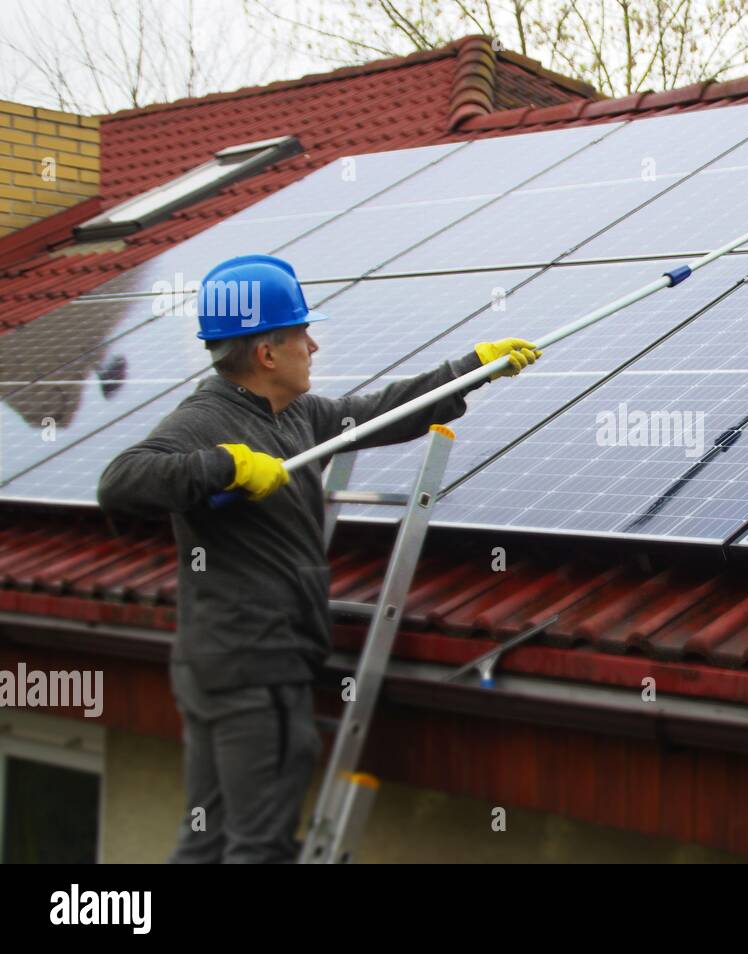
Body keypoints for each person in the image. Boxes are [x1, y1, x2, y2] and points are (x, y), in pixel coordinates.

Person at [97, 254, 540, 863]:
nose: (315, 344)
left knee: (208, 842)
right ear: (267, 354)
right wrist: (224, 465)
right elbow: (120, 482)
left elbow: (385, 412)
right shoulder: (206, 420)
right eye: (302, 333)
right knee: (260, 847)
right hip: (254, 664)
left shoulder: (298, 415)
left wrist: (471, 370)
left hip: (225, 661)